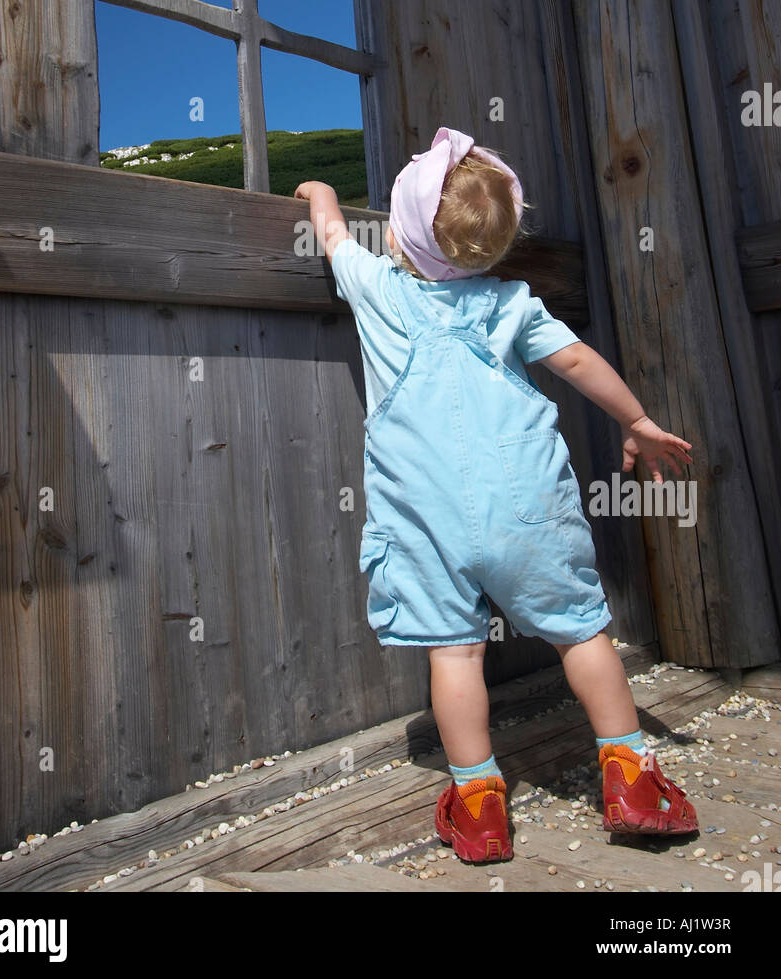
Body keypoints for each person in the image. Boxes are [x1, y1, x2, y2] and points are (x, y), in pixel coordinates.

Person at [293, 127, 698, 864]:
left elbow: (328, 234)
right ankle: (632, 780)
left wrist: (321, 193)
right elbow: (575, 361)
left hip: (423, 519)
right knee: (579, 630)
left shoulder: (377, 289)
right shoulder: (512, 302)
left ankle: (479, 806)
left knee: (454, 654)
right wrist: (636, 420)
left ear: (403, 239)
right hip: (526, 508)